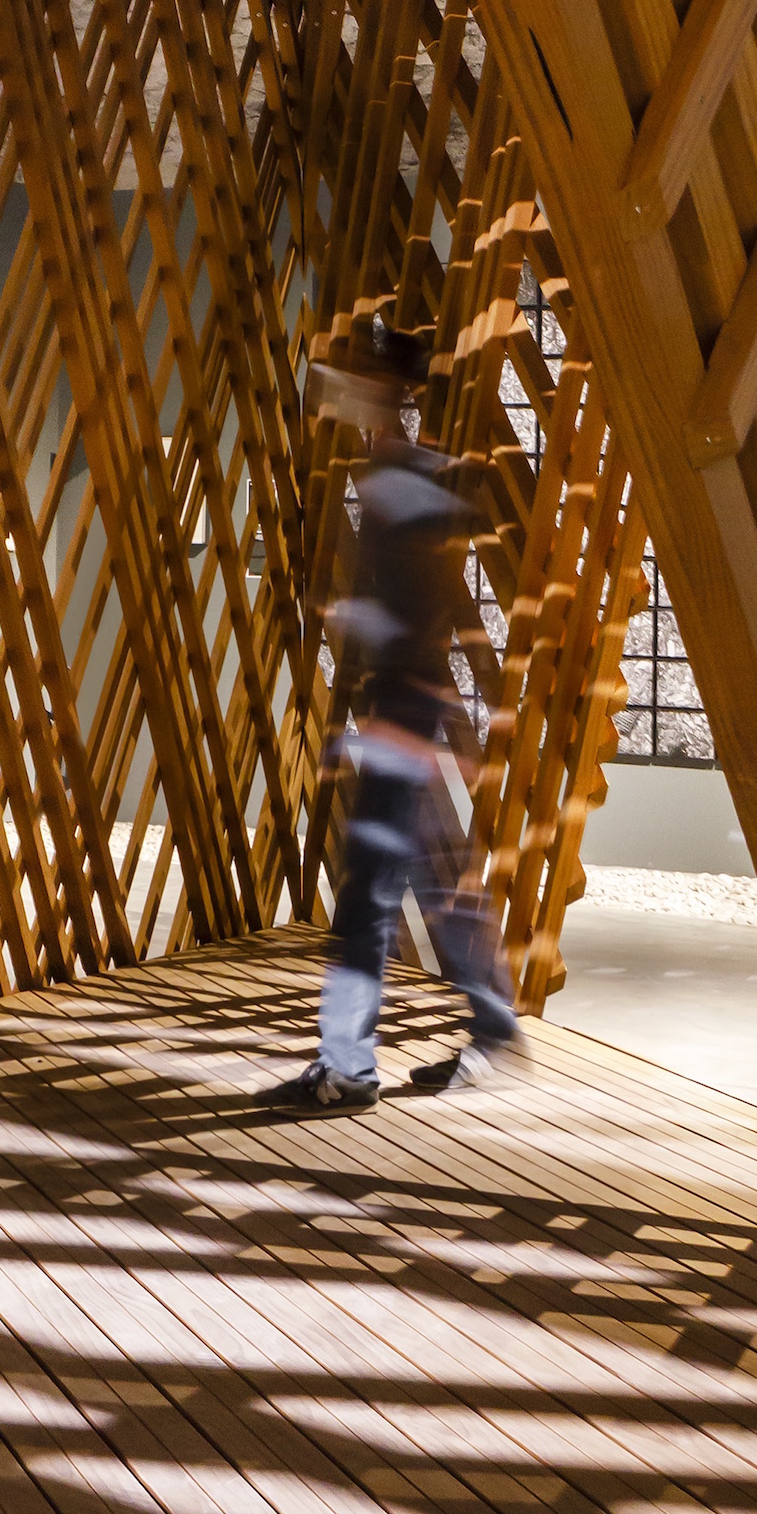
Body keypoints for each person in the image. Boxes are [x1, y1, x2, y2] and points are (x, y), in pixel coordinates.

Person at [263, 322, 524, 1114]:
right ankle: (493, 1025)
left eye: (349, 376)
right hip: (406, 709)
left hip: (400, 716)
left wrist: (397, 703)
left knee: (368, 898)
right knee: (433, 884)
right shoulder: (407, 473)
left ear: (379, 387)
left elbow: (421, 603)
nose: (334, 388)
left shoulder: (399, 480)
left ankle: (348, 1068)